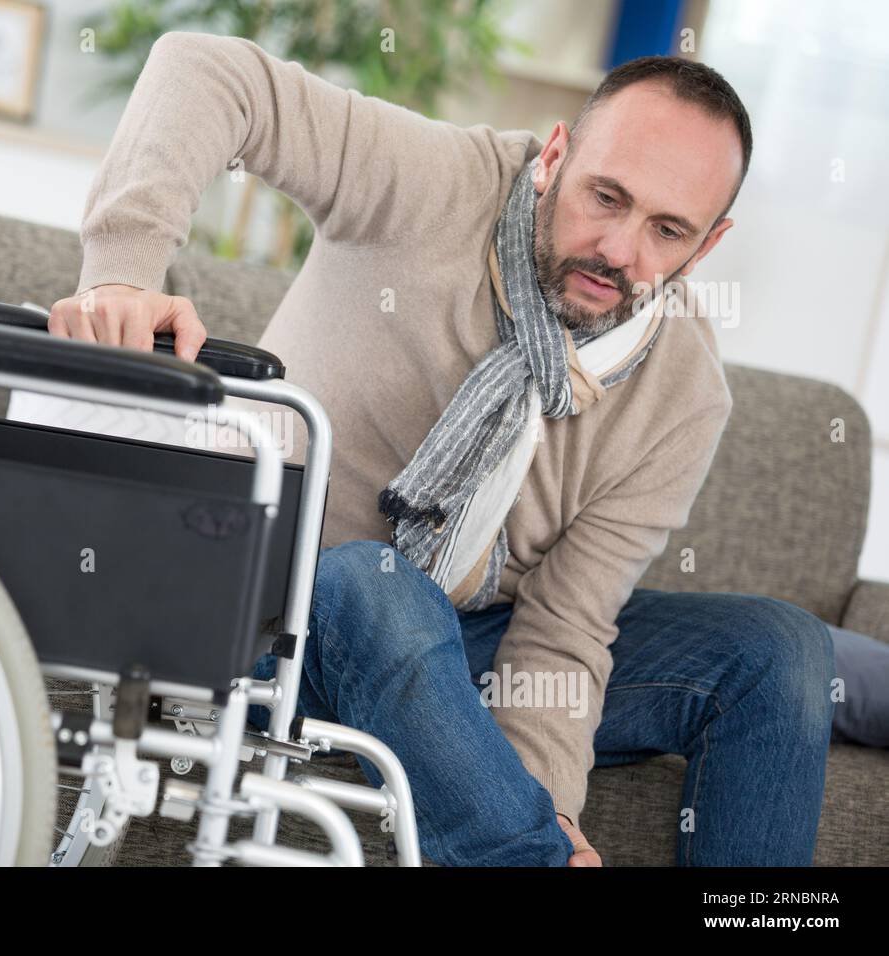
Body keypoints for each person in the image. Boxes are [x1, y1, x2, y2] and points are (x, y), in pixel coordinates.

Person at [48, 32, 837, 866]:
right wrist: (123, 270)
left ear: (707, 245)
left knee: (780, 650)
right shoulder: (430, 183)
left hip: (461, 659)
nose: (620, 251)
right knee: (378, 578)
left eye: (668, 230)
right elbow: (205, 69)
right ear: (555, 156)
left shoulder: (682, 394)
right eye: (606, 197)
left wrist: (549, 802)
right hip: (277, 626)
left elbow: (562, 633)